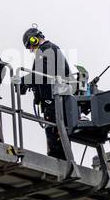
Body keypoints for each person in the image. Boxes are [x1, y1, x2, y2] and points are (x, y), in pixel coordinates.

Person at [19, 24, 72, 158]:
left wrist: (24, 82)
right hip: (56, 101)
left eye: (30, 46)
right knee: (56, 135)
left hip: (55, 102)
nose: (31, 49)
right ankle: (60, 159)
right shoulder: (48, 50)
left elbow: (40, 72)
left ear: (34, 40)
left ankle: (58, 161)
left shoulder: (47, 48)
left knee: (55, 136)